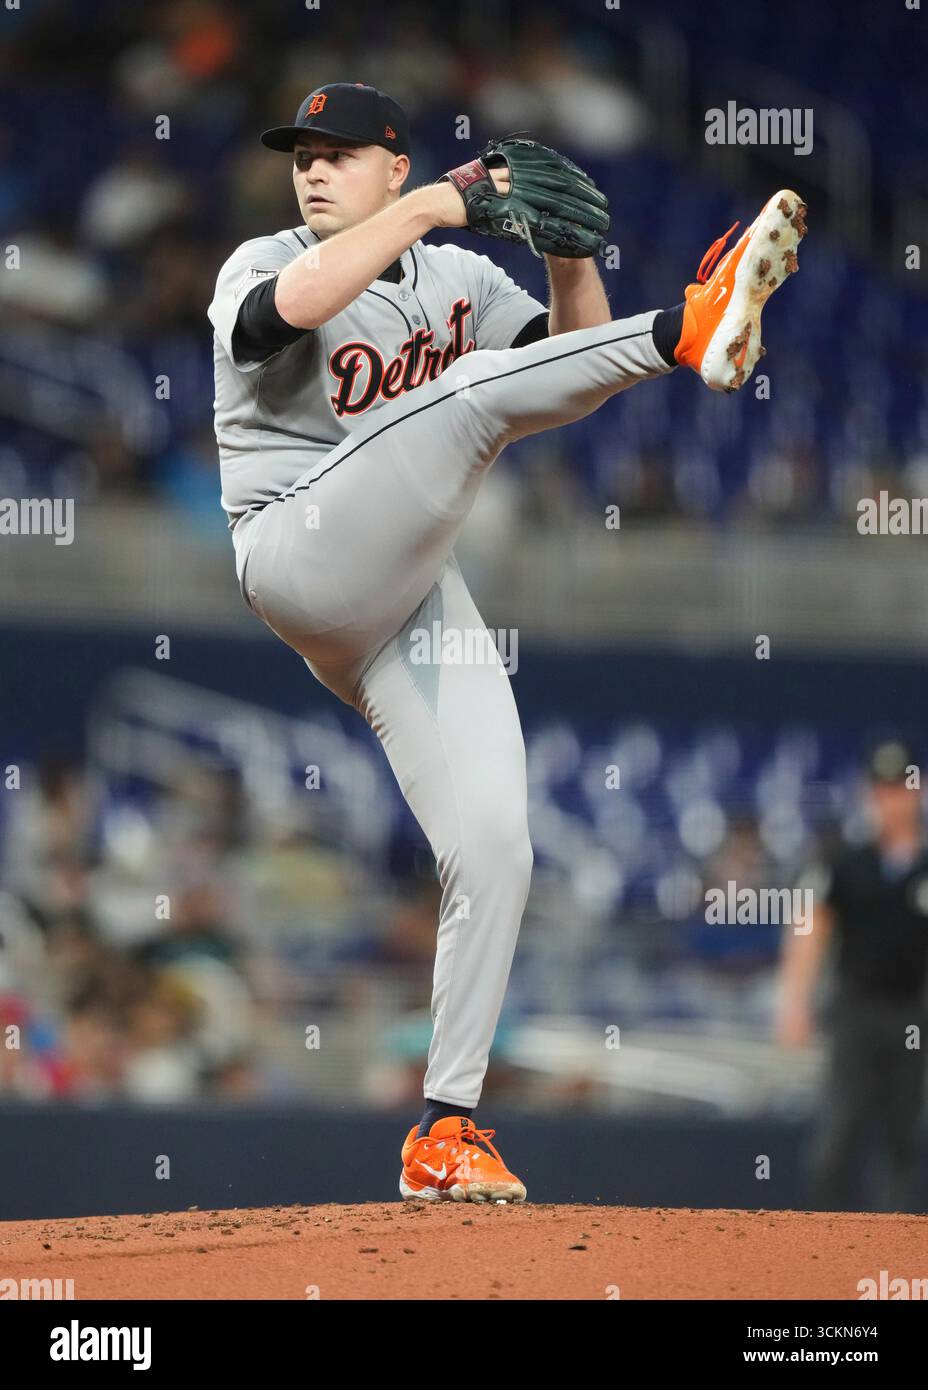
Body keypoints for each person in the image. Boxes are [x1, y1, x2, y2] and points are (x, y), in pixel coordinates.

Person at [208, 81, 805, 1203]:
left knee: (495, 844)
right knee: (472, 390)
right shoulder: (262, 259)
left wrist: (566, 255)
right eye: (302, 152)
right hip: (296, 550)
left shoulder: (461, 280)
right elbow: (286, 312)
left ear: (392, 160)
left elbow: (570, 372)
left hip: (404, 593)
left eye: (340, 152)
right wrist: (440, 204)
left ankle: (445, 1128)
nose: (313, 169)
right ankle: (694, 322)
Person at [777, 739, 928, 1212]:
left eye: (899, 788)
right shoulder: (845, 860)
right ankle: (824, 1246)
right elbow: (811, 926)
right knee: (840, 1128)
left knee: (903, 1132)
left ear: (917, 791)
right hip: (855, 1010)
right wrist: (794, 1003)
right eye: (881, 790)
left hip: (912, 1011)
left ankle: (895, 1249)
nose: (890, 800)